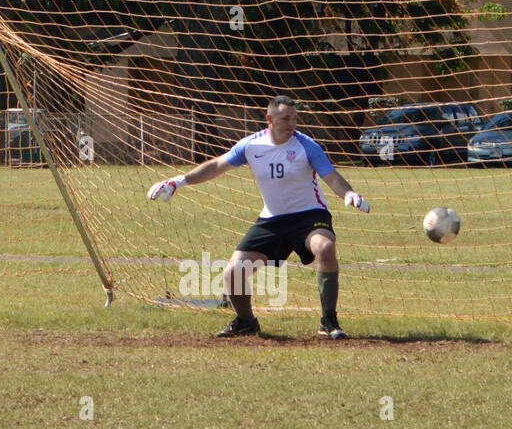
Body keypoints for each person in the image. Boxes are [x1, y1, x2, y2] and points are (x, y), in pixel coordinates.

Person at [147, 94, 370, 339]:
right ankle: (245, 322)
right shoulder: (251, 145)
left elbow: (331, 175)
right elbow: (218, 164)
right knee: (233, 272)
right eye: (286, 118)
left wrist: (348, 193)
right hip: (272, 219)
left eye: (295, 119)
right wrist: (181, 181)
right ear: (270, 119)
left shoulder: (306, 146)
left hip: (309, 216)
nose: (292, 124)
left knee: (325, 247)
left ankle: (328, 322)